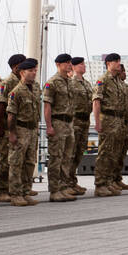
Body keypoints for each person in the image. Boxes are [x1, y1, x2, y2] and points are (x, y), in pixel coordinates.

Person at [92, 53, 128, 197]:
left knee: (115, 154)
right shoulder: (103, 80)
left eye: (119, 61)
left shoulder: (118, 82)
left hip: (119, 122)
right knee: (105, 153)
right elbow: (96, 102)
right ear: (108, 63)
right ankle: (100, 184)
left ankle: (109, 182)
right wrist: (97, 122)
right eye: (116, 61)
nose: (118, 64)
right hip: (108, 120)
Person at [5, 58, 42, 206]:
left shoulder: (36, 88)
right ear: (22, 72)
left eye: (34, 71)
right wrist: (12, 133)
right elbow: (11, 115)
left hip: (32, 129)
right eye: (30, 71)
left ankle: (26, 191)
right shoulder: (16, 92)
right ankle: (15, 194)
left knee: (29, 163)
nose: (33, 73)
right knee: (16, 163)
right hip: (20, 129)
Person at [44, 53, 78, 200]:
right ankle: (54, 190)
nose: (69, 65)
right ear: (58, 64)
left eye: (70, 62)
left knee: (67, 157)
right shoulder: (52, 82)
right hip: (57, 122)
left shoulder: (70, 82)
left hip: (69, 123)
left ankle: (64, 187)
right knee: (56, 158)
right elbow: (47, 106)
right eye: (66, 62)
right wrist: (49, 126)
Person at [0, 54, 26, 202]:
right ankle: (1, 190)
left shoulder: (24, 83)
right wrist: (0, 126)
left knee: (17, 161)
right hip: (7, 128)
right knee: (5, 160)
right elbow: (0, 107)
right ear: (16, 66)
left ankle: (16, 188)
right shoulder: (7, 83)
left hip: (20, 128)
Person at [66, 56, 94, 196]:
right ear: (74, 67)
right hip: (75, 120)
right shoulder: (70, 83)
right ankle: (66, 183)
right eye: (81, 64)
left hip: (85, 120)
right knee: (70, 153)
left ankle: (72, 180)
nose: (84, 66)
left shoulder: (87, 84)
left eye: (84, 64)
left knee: (78, 153)